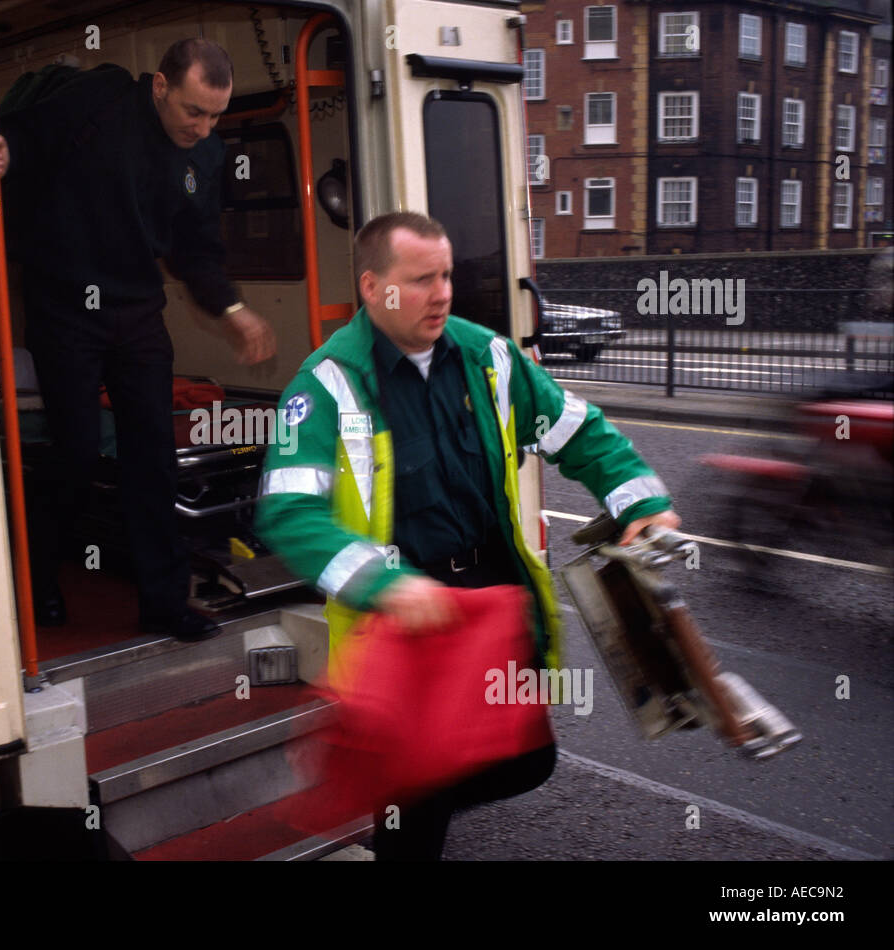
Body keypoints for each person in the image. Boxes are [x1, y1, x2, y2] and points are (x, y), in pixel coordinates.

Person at [254, 211, 680, 859]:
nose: (444, 292)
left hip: (488, 606)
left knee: (527, 757)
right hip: (401, 625)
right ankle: (405, 795)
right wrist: (383, 584)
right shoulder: (321, 387)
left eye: (447, 275)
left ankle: (411, 786)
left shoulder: (490, 358)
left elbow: (580, 431)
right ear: (374, 289)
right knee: (411, 822)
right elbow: (288, 511)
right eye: (422, 279)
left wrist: (640, 498)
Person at [0, 39, 276, 641]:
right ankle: (37, 581)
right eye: (194, 111)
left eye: (216, 115)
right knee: (78, 453)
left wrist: (234, 310)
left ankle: (164, 604)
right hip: (66, 307)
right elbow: (29, 135)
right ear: (160, 87)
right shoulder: (100, 99)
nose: (204, 127)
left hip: (138, 311)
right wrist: (4, 155)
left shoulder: (205, 156)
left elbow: (196, 251)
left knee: (153, 461)